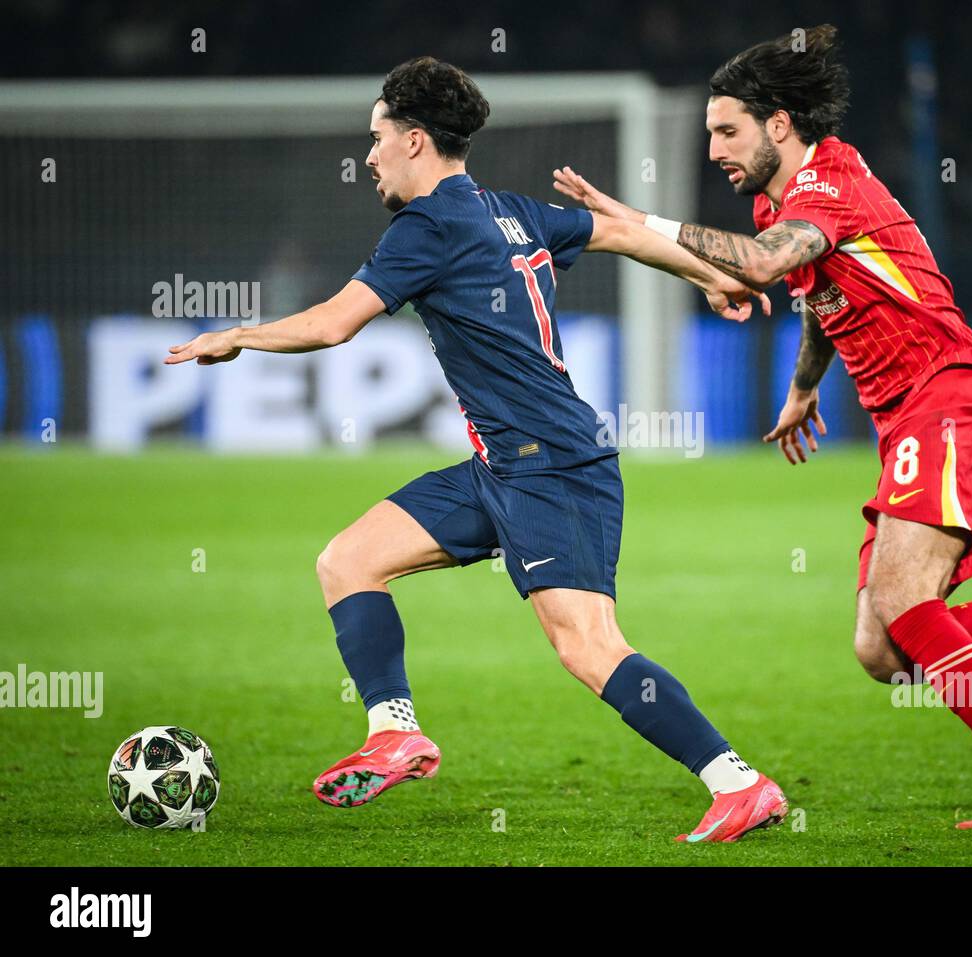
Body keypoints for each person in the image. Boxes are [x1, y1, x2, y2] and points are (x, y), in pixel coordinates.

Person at [554, 26, 972, 829]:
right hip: (907, 420)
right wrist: (803, 387)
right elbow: (820, 292)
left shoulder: (831, 184)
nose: (713, 147)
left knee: (900, 595)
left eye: (726, 130)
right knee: (884, 649)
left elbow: (756, 264)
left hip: (949, 394)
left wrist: (639, 218)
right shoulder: (779, 199)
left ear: (778, 123)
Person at [165, 55, 788, 844]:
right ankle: (394, 730)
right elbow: (620, 232)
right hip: (502, 463)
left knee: (589, 646)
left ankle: (736, 781)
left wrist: (238, 337)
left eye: (378, 137)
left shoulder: (426, 227)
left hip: (552, 463)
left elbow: (330, 323)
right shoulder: (510, 212)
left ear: (416, 140)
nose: (370, 155)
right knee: (348, 561)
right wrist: (707, 276)